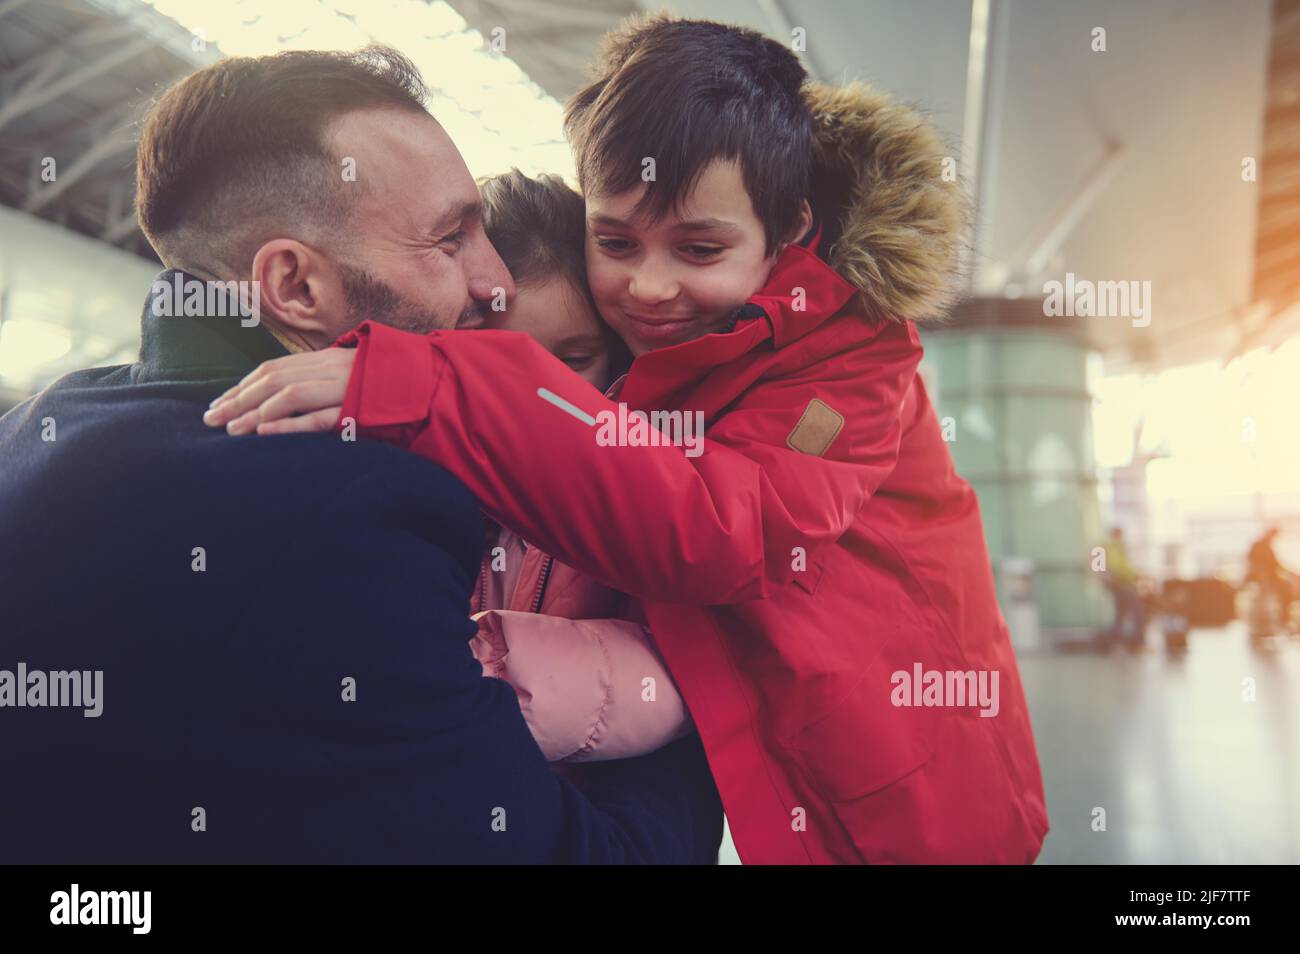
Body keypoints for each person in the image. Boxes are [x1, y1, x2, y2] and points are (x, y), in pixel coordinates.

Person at [207, 16, 1049, 864]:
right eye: (615, 241)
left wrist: (444, 381)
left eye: (698, 247)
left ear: (787, 231)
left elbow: (724, 530)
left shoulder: (847, 362)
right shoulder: (664, 354)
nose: (648, 287)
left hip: (918, 792)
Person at [0, 46, 723, 863]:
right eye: (450, 240)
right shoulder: (340, 510)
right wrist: (709, 707)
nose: (493, 283)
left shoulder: (43, 425)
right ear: (297, 287)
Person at [472, 169, 692, 762]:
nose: (540, 392)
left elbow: (692, 664)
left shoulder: (656, 476)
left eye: (574, 358)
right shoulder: (424, 474)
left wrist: (486, 674)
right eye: (502, 360)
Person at [1102, 526, 1146, 651]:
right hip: (1123, 584)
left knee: (1120, 615)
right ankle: (1138, 643)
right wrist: (1134, 575)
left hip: (1120, 584)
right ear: (1117, 535)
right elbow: (1120, 567)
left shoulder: (1112, 547)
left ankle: (1115, 642)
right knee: (1138, 612)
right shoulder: (1114, 547)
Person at [1245, 526, 1295, 635]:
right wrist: (1262, 576)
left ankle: (1283, 619)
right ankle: (1280, 620)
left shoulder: (1267, 547)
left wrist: (1292, 572)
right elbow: (1252, 563)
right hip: (1261, 579)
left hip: (1269, 578)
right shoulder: (1258, 546)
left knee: (1287, 588)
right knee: (1282, 590)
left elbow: (1277, 564)